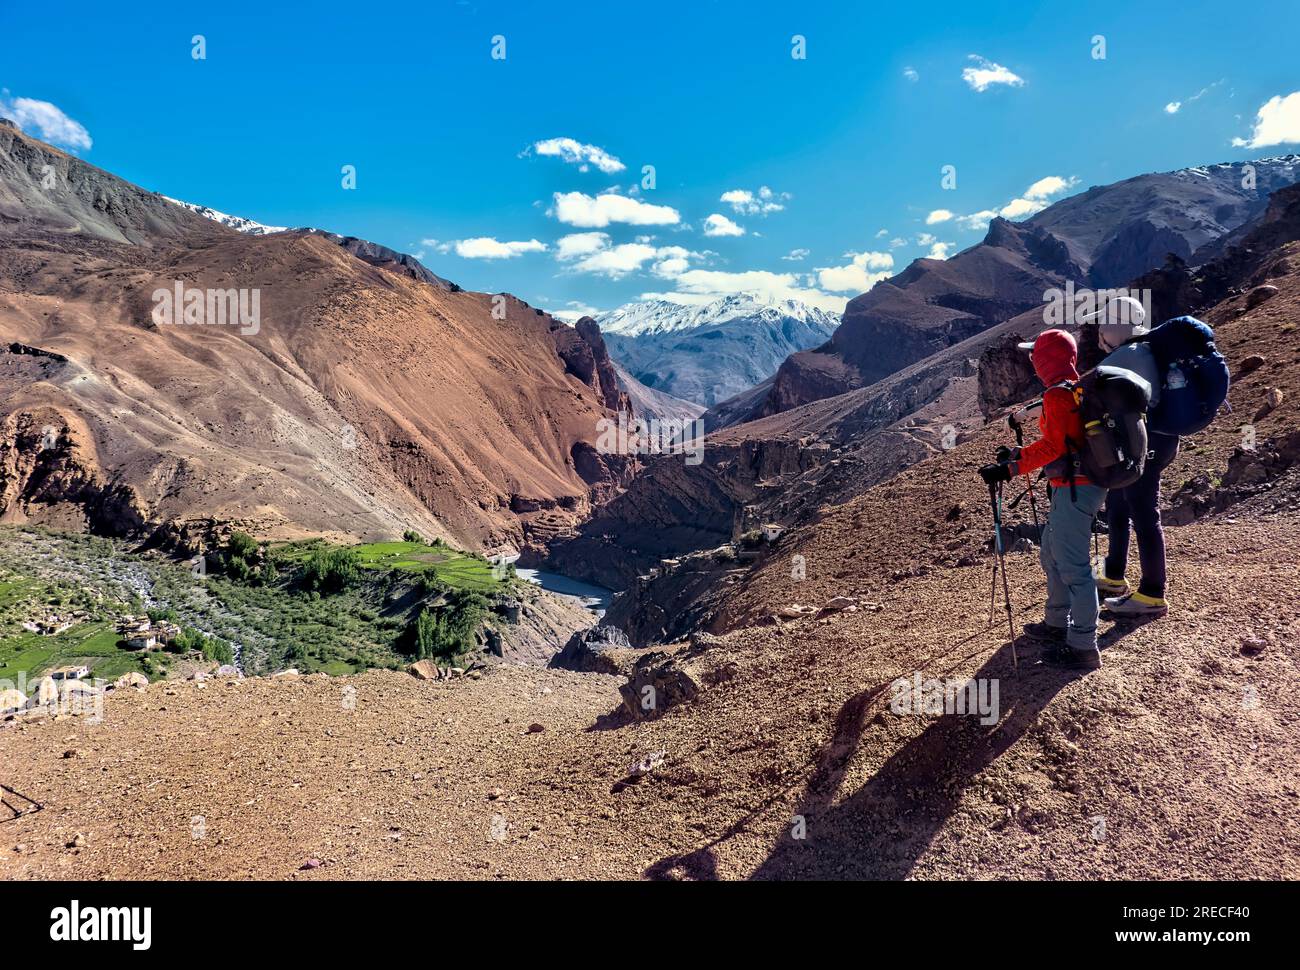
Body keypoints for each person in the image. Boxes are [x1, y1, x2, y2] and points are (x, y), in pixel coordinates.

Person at [979, 329, 1105, 669]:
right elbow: (1062, 442)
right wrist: (1019, 453)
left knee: (1073, 566)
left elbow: (1055, 447)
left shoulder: (1057, 396)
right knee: (1051, 551)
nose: (1032, 360)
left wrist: (1011, 469)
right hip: (1076, 485)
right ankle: (1055, 623)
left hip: (1074, 487)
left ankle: (1082, 645)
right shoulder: (1072, 390)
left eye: (1036, 354)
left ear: (1045, 359)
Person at [1088, 298, 1176, 617]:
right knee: (1118, 506)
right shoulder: (1147, 349)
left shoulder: (1127, 355)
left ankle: (1153, 593)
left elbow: (1087, 393)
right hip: (1157, 440)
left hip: (1145, 445)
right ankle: (1113, 575)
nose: (1099, 330)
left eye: (1103, 324)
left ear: (1115, 325)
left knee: (1143, 513)